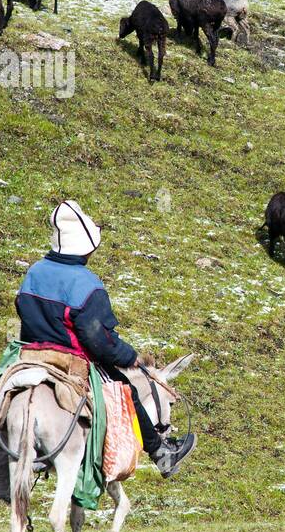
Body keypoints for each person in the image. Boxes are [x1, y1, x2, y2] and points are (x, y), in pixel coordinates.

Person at [14, 200, 196, 476]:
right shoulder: (86, 284)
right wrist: (129, 356)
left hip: (29, 355)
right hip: (70, 359)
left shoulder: (35, 271)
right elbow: (98, 339)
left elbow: (22, 308)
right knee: (127, 391)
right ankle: (161, 454)